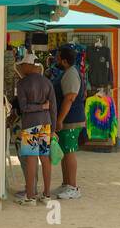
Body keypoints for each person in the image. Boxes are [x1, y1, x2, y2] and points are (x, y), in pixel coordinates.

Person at [14, 50, 59, 204]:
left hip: (30, 124)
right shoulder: (47, 82)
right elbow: (53, 108)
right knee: (45, 158)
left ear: (27, 66)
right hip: (46, 123)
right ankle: (46, 195)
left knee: (31, 159)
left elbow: (24, 108)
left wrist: (38, 107)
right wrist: (53, 130)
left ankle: (30, 196)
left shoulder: (22, 83)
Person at [53, 45, 85, 199]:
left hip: (71, 120)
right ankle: (66, 184)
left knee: (69, 152)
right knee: (65, 152)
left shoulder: (71, 74)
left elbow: (70, 97)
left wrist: (60, 119)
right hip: (68, 119)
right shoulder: (68, 72)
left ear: (65, 61)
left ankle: (73, 187)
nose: (56, 60)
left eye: (58, 58)